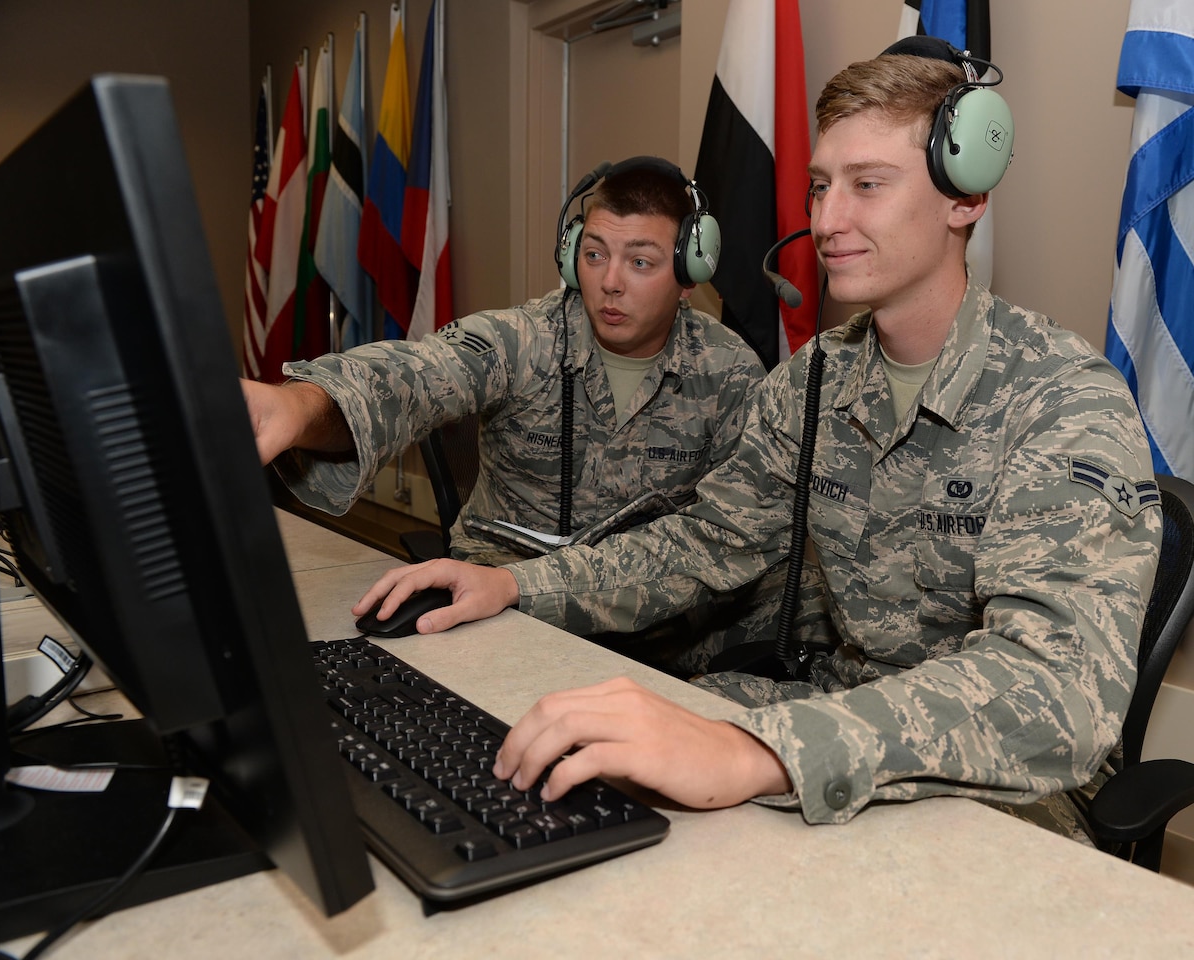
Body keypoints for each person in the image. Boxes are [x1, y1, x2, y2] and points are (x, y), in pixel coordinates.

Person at [356, 41, 1163, 842]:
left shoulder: (1063, 397)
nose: (826, 221)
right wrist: (519, 587)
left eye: (868, 186)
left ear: (966, 198)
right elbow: (709, 542)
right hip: (833, 707)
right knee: (578, 752)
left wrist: (762, 749)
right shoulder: (811, 383)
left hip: (1010, 776)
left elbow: (1055, 692)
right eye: (819, 187)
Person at [244, 157, 764, 572]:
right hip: (504, 606)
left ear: (690, 269)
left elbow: (737, 537)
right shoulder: (523, 339)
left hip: (656, 632)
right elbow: (413, 375)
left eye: (641, 262)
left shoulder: (730, 373)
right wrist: (297, 407)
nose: (610, 282)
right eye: (595, 254)